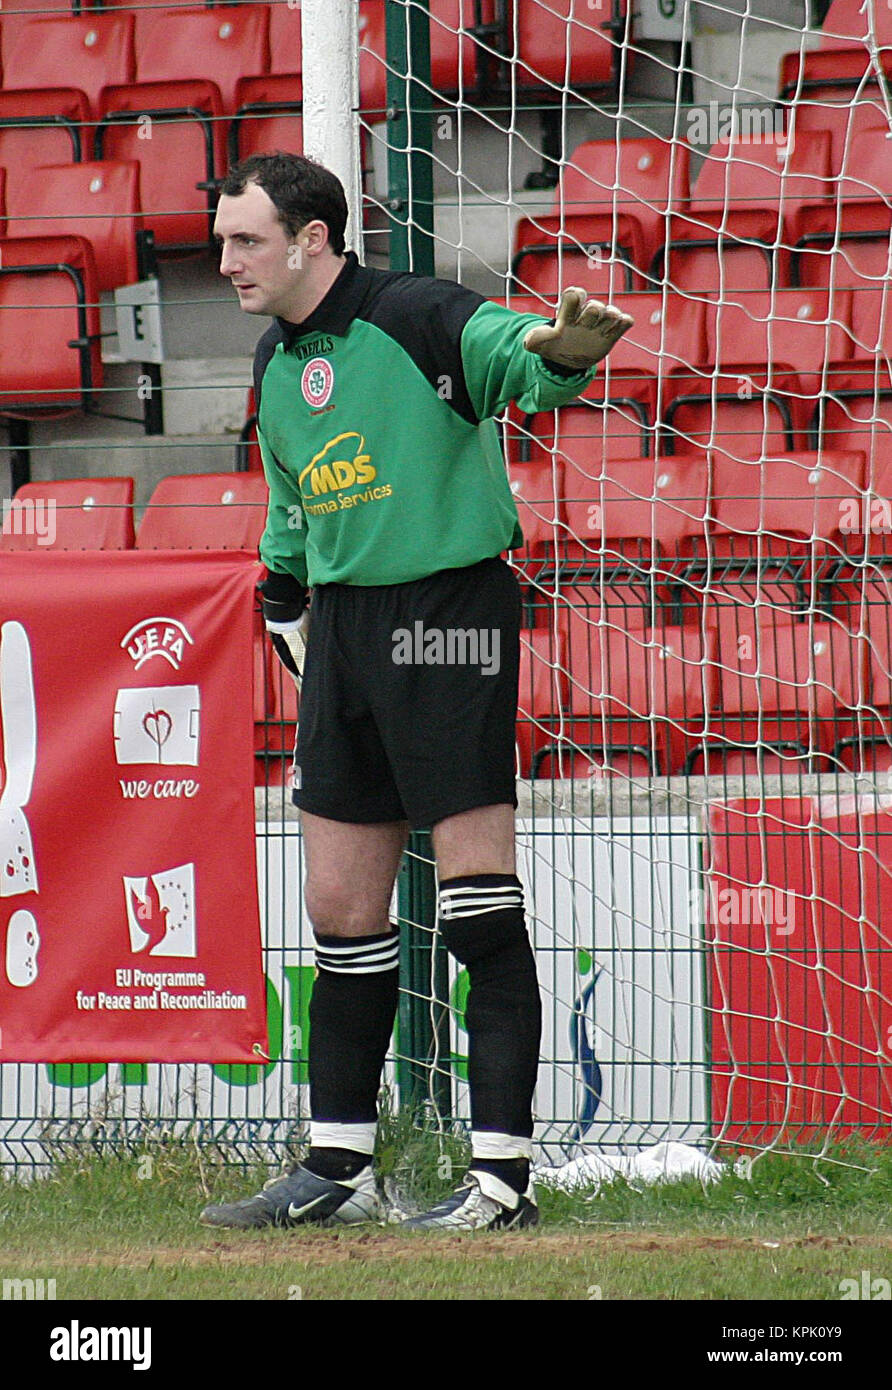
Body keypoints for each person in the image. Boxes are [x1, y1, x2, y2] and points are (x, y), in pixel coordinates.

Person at [201, 151, 632, 1232]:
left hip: (449, 616)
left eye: (245, 240)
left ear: (311, 238)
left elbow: (517, 357)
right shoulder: (274, 358)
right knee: (339, 911)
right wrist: (285, 597)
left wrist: (558, 354)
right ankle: (336, 1166)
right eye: (222, 241)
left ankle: (500, 1181)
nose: (226, 262)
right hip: (345, 631)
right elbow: (291, 503)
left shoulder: (417, 311)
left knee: (476, 901)